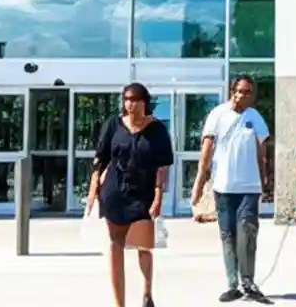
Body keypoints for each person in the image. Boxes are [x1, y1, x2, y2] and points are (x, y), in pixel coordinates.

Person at [86, 82, 175, 307]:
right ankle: (119, 303)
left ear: (145, 101)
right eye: (126, 99)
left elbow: (162, 168)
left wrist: (158, 198)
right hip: (115, 192)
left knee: (144, 245)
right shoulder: (113, 125)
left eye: (135, 99)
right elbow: (101, 158)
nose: (130, 104)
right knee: (115, 245)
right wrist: (93, 189)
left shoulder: (157, 130)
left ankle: (147, 294)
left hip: (143, 194)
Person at [191, 75, 272, 304]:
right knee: (228, 235)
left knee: (247, 233)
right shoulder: (217, 114)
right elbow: (206, 150)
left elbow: (261, 152)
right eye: (240, 90)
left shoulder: (255, 117)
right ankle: (232, 284)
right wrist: (199, 181)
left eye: (248, 92)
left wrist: (265, 178)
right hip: (223, 186)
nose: (243, 95)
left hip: (249, 186)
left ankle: (248, 281)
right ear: (232, 91)